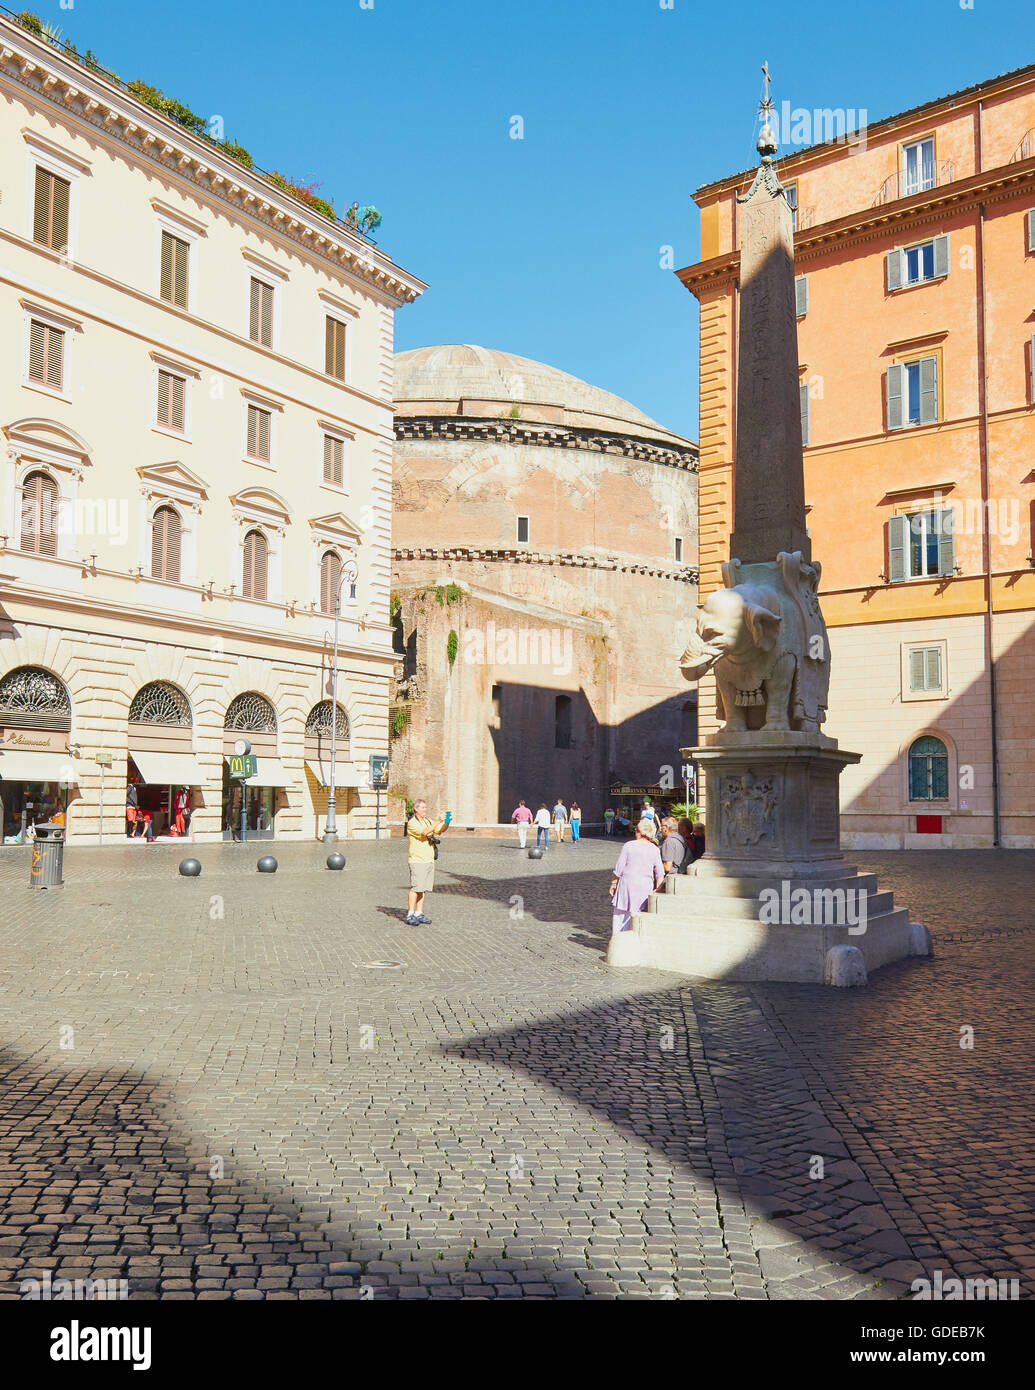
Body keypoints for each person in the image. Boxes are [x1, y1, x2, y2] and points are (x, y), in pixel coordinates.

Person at [609, 819, 665, 935]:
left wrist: (613, 883)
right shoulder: (655, 849)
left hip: (627, 885)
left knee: (621, 917)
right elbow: (660, 874)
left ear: (639, 831)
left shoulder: (629, 846)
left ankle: (619, 940)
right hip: (644, 887)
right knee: (639, 918)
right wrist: (657, 889)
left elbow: (619, 868)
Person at [405, 798, 448, 926]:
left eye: (425, 807)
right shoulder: (412, 823)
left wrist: (446, 821)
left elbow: (440, 830)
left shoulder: (427, 820)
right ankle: (410, 914)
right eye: (423, 807)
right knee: (415, 888)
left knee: (422, 889)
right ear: (416, 808)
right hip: (417, 860)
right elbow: (424, 832)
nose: (425, 809)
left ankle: (419, 913)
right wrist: (438, 820)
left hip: (428, 860)